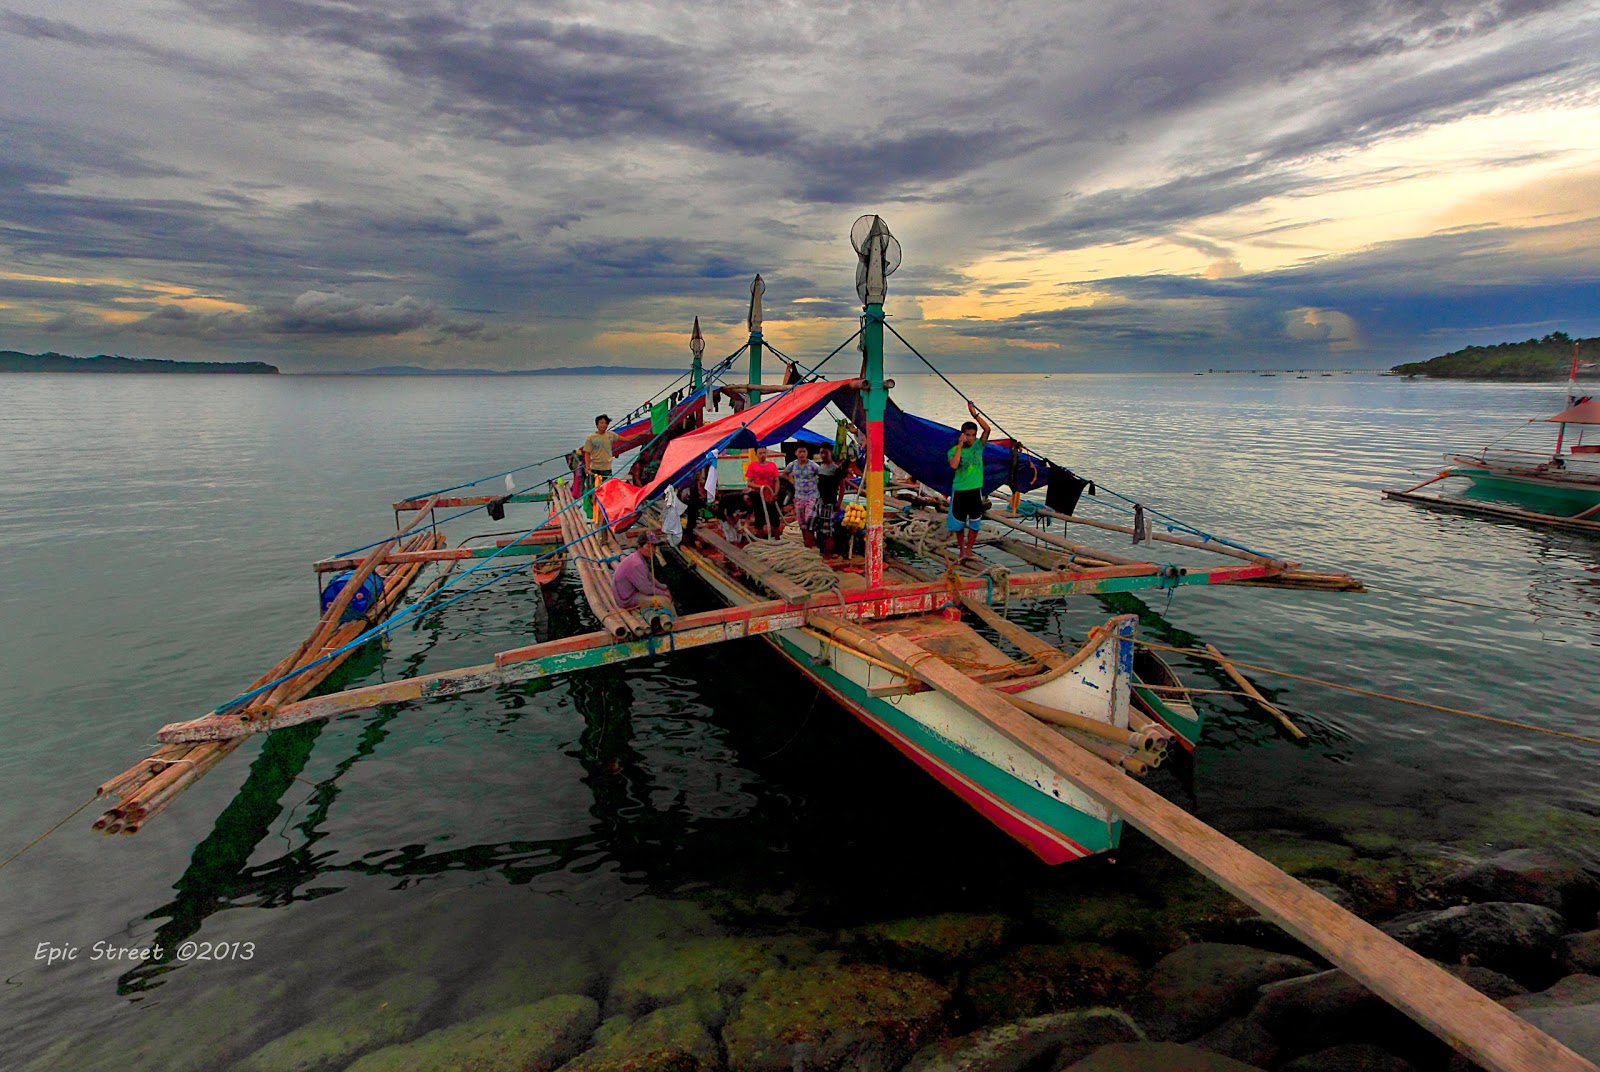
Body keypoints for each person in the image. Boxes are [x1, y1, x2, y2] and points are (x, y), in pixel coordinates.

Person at [947, 402, 991, 560]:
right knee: (958, 524)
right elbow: (953, 465)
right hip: (959, 490)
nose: (971, 438)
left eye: (973, 435)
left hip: (974, 490)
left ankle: (969, 549)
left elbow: (988, 430)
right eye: (968, 435)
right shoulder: (953, 450)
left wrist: (975, 414)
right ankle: (961, 550)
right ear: (963, 434)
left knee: (975, 522)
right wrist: (960, 445)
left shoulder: (978, 447)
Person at [613, 531, 673, 612]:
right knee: (664, 600)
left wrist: (664, 587)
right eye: (648, 546)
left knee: (664, 594)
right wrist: (663, 594)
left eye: (654, 547)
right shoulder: (637, 563)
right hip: (627, 599)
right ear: (639, 547)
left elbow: (649, 577)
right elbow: (646, 589)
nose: (652, 550)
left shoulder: (639, 558)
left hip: (632, 593)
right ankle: (673, 621)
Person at [582, 414, 620, 521]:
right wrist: (588, 467)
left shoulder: (610, 435)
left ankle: (605, 513)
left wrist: (640, 434)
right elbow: (587, 453)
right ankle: (595, 514)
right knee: (593, 492)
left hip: (607, 469)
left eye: (605, 423)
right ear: (597, 425)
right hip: (595, 470)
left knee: (607, 492)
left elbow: (624, 438)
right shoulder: (591, 438)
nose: (603, 425)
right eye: (601, 423)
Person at [784, 445, 822, 548]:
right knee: (801, 523)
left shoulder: (813, 465)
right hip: (799, 497)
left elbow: (822, 475)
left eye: (804, 452)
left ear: (807, 453)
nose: (802, 454)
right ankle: (806, 542)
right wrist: (792, 482)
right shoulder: (792, 465)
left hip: (812, 496)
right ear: (795, 453)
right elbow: (785, 474)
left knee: (809, 520)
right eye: (799, 452)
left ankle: (810, 544)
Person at [744, 445, 781, 538]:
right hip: (758, 496)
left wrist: (776, 493)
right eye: (760, 453)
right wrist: (760, 487)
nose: (763, 455)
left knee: (775, 519)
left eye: (764, 453)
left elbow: (776, 481)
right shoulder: (752, 466)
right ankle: (760, 542)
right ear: (756, 454)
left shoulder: (772, 465)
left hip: (770, 496)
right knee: (759, 519)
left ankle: (777, 539)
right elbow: (749, 483)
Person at [813, 444, 843, 555]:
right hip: (819, 502)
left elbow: (842, 487)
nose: (823, 455)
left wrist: (839, 502)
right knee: (816, 527)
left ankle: (828, 553)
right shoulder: (820, 468)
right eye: (821, 453)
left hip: (829, 503)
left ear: (831, 452)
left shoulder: (835, 469)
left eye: (826, 452)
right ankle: (821, 550)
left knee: (827, 530)